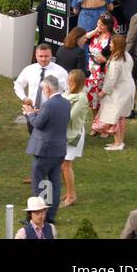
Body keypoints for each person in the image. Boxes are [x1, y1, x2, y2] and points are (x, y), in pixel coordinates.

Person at [25, 73, 71, 225]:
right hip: (59, 149)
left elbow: (38, 124)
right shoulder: (66, 103)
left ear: (48, 88)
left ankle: (36, 215)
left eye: (44, 89)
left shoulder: (48, 105)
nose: (43, 92)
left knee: (38, 183)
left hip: (44, 150)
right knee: (54, 183)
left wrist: (30, 113)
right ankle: (50, 216)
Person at [95, 34, 135, 151]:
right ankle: (119, 141)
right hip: (127, 88)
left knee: (115, 117)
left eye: (112, 43)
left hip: (120, 90)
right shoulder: (126, 56)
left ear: (116, 45)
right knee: (121, 117)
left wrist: (103, 92)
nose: (110, 45)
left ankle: (118, 143)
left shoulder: (116, 61)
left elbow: (111, 80)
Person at [61, 69, 88, 207]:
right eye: (68, 81)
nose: (68, 83)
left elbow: (70, 116)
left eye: (71, 81)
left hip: (73, 135)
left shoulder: (82, 98)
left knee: (66, 166)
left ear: (77, 83)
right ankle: (68, 192)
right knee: (63, 165)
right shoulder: (67, 93)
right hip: (65, 134)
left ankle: (71, 196)